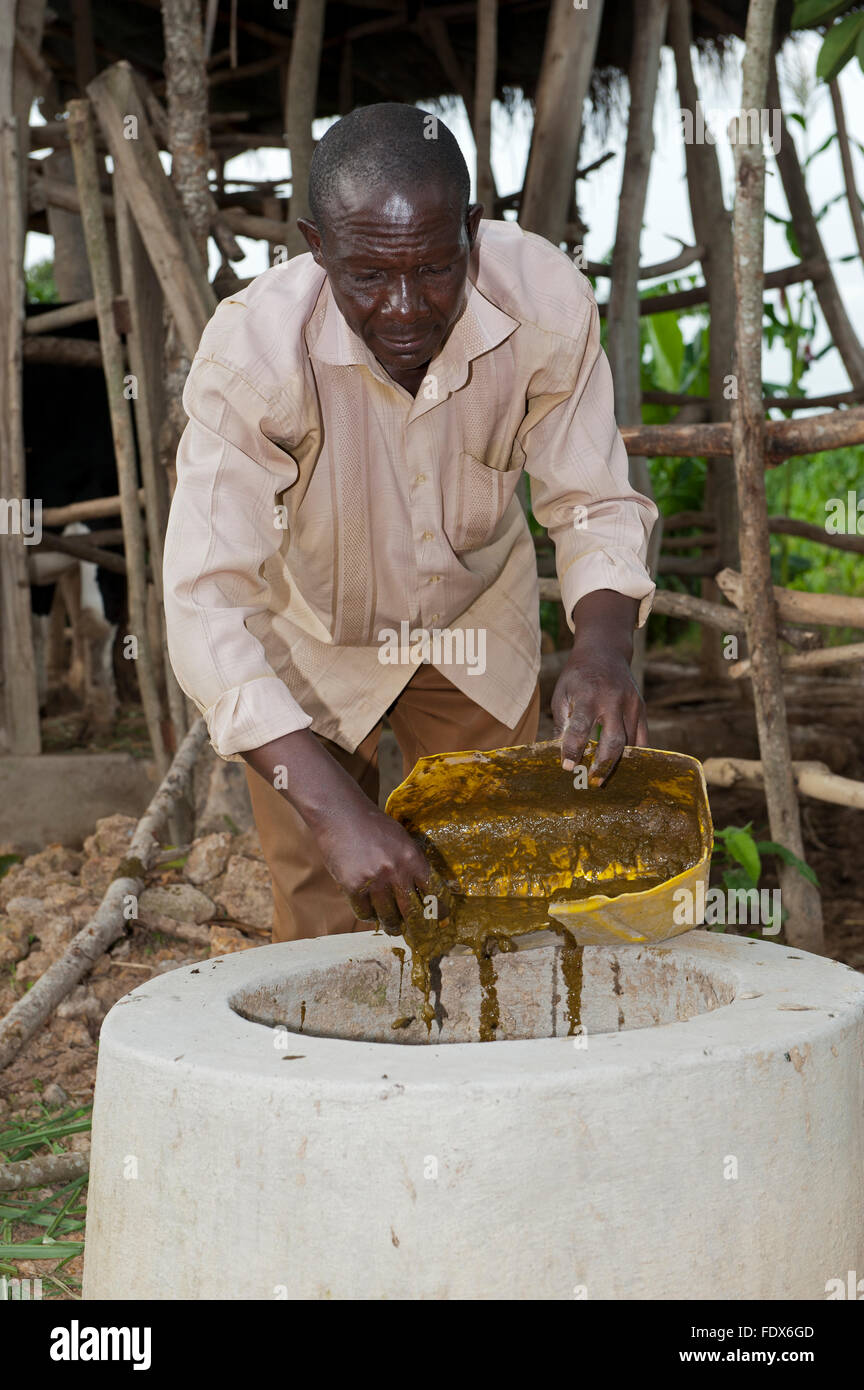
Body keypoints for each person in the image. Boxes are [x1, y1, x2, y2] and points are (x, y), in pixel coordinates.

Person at [163, 102, 658, 943]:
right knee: (324, 912)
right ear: (317, 249)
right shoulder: (252, 359)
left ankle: (484, 1071)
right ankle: (334, 1073)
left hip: (474, 629)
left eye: (434, 269)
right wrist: (333, 813)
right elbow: (203, 604)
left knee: (497, 898)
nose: (404, 309)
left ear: (472, 230)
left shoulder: (544, 308)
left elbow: (593, 502)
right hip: (312, 640)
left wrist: (603, 652)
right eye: (367, 276)